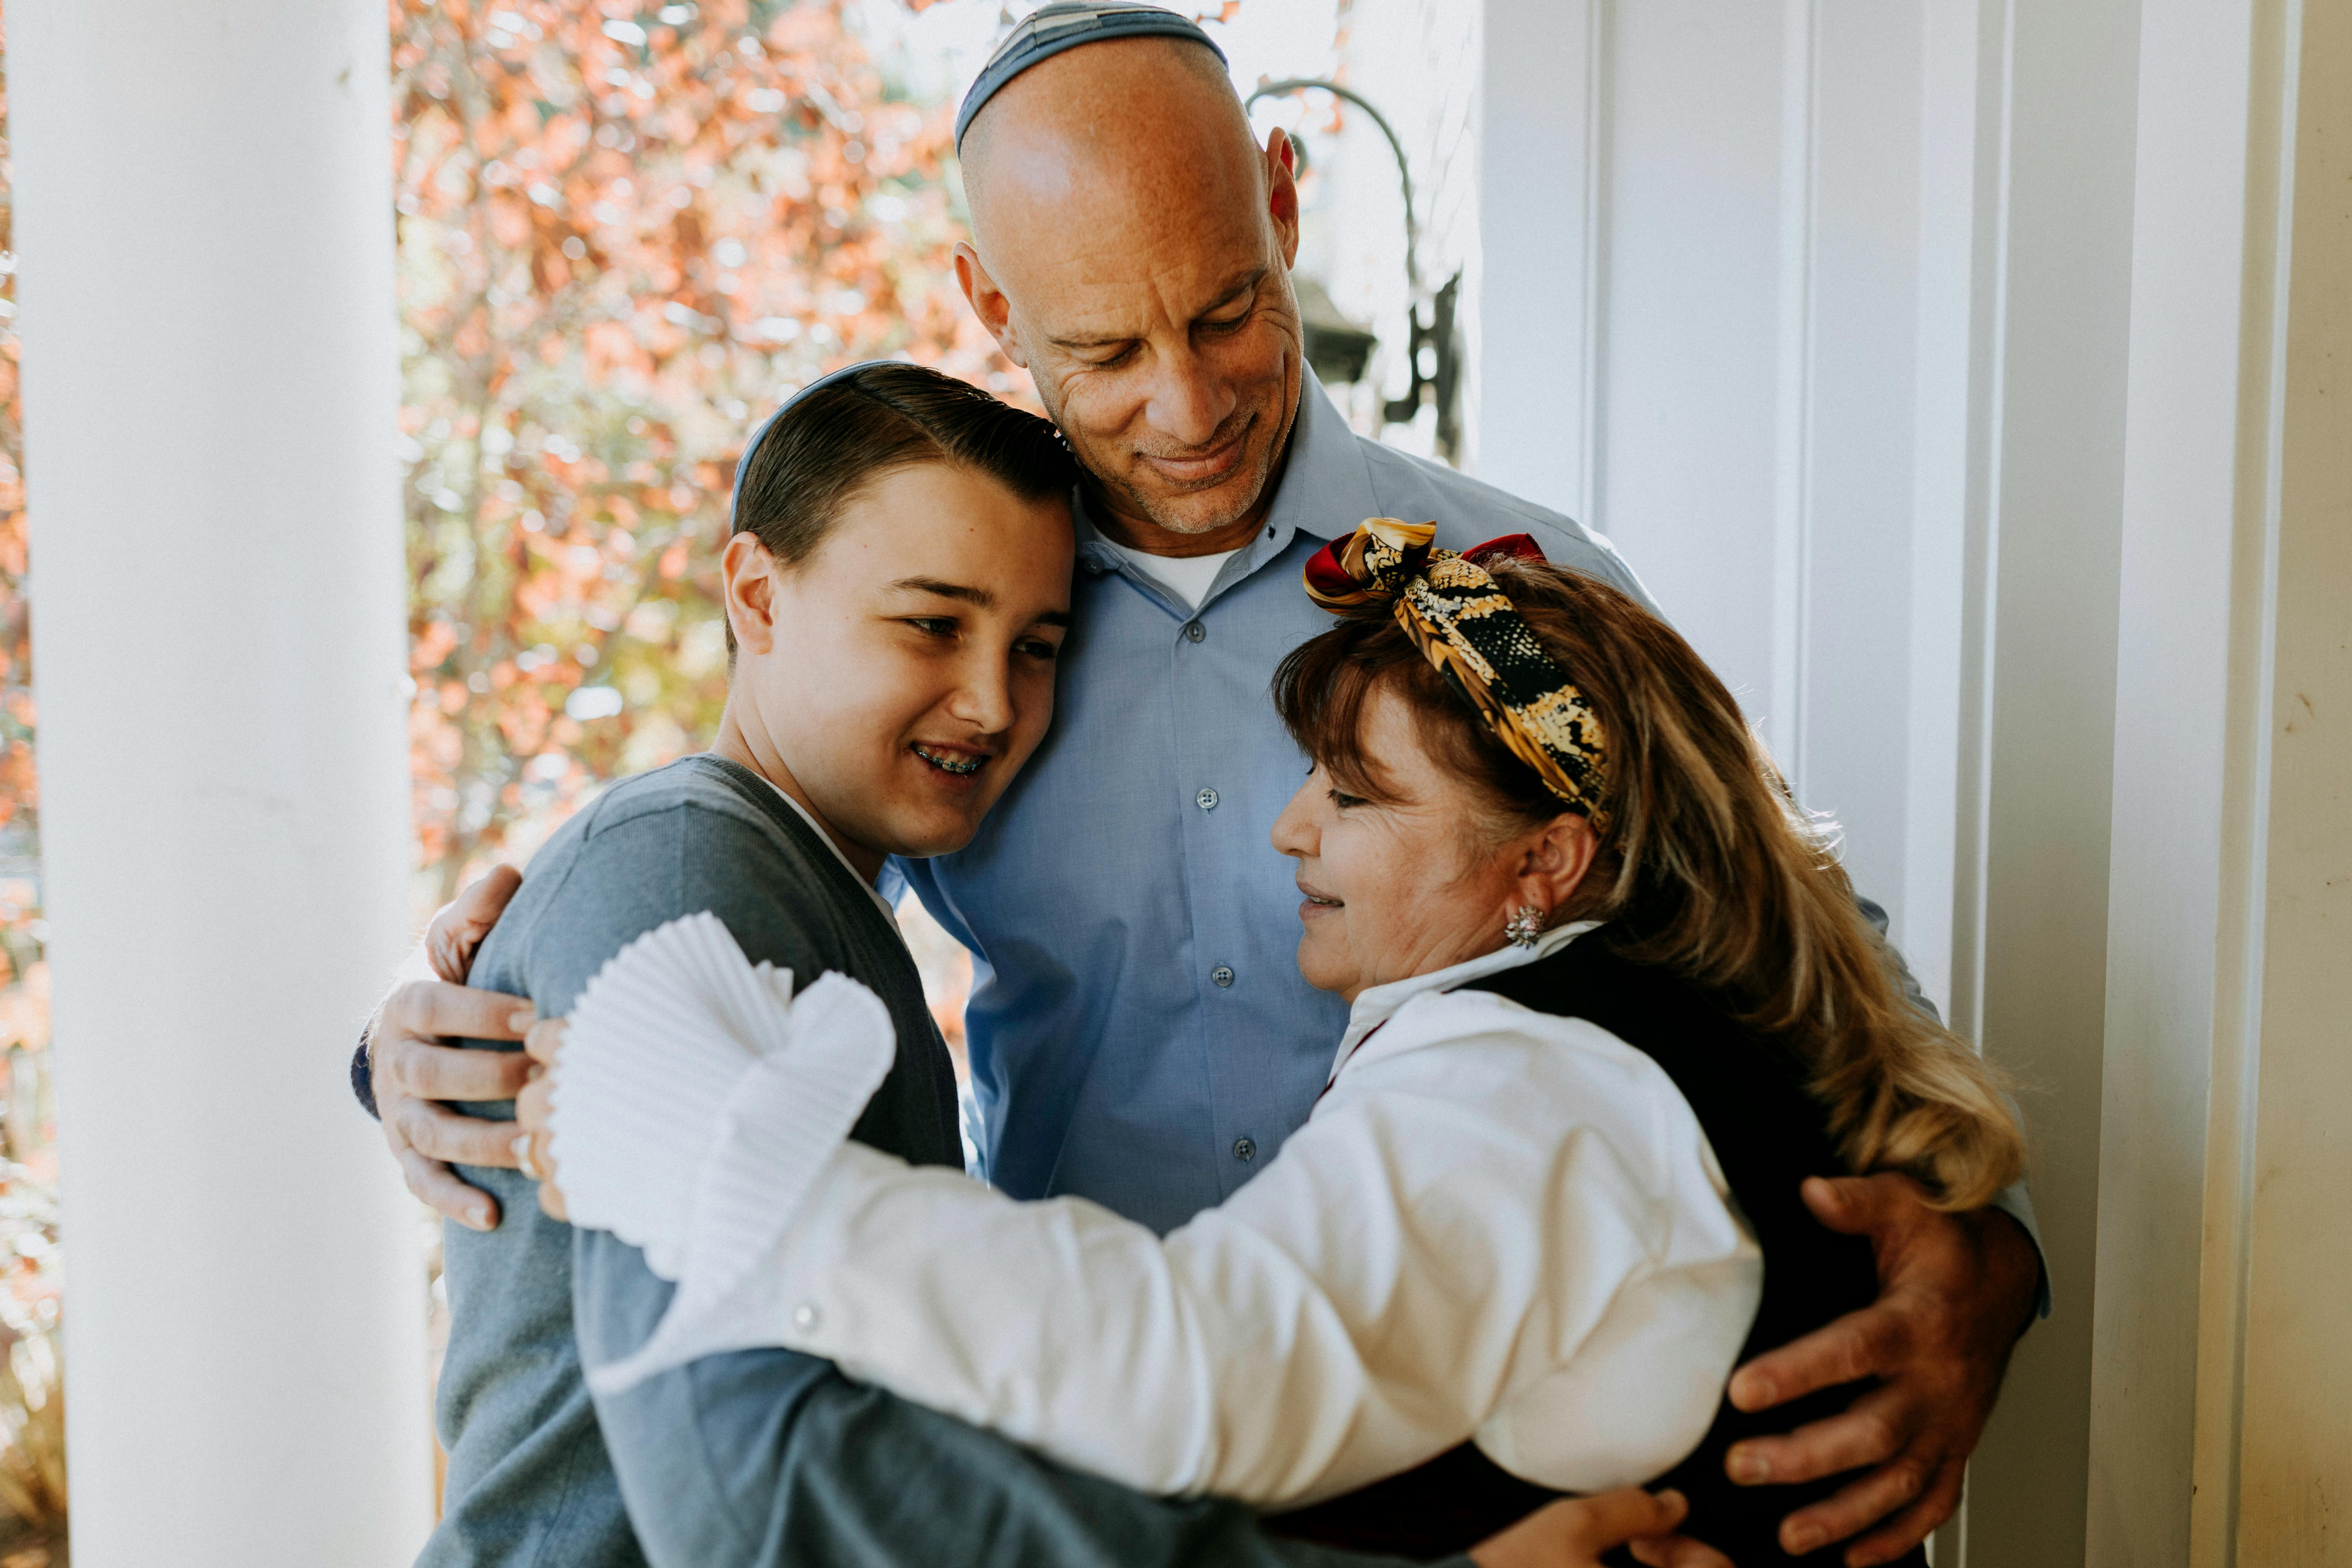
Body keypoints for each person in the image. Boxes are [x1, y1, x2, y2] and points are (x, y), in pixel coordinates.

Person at [366, 8, 2046, 1561]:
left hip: (1480, 1475)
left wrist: (1994, 1253)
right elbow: (763, 870)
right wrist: (453, 1017)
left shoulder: (1487, 592)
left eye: (1229, 309)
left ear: (1286, 203)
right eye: (1102, 349)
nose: (1187, 405)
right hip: (1091, 1480)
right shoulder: (983, 631)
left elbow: (1785, 933)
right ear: (986, 307)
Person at [402, 361, 1712, 1568]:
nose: (991, 702)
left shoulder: (820, 883)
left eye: (1037, 647)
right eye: (929, 626)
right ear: (756, 595)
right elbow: (758, 1487)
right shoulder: (695, 875)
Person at [514, 524, 2025, 1566]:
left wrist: (741, 1177)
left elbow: (1195, 1369)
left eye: (1357, 798)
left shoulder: (1531, 1087)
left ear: (1545, 866)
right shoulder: (1662, 1039)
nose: (1294, 828)